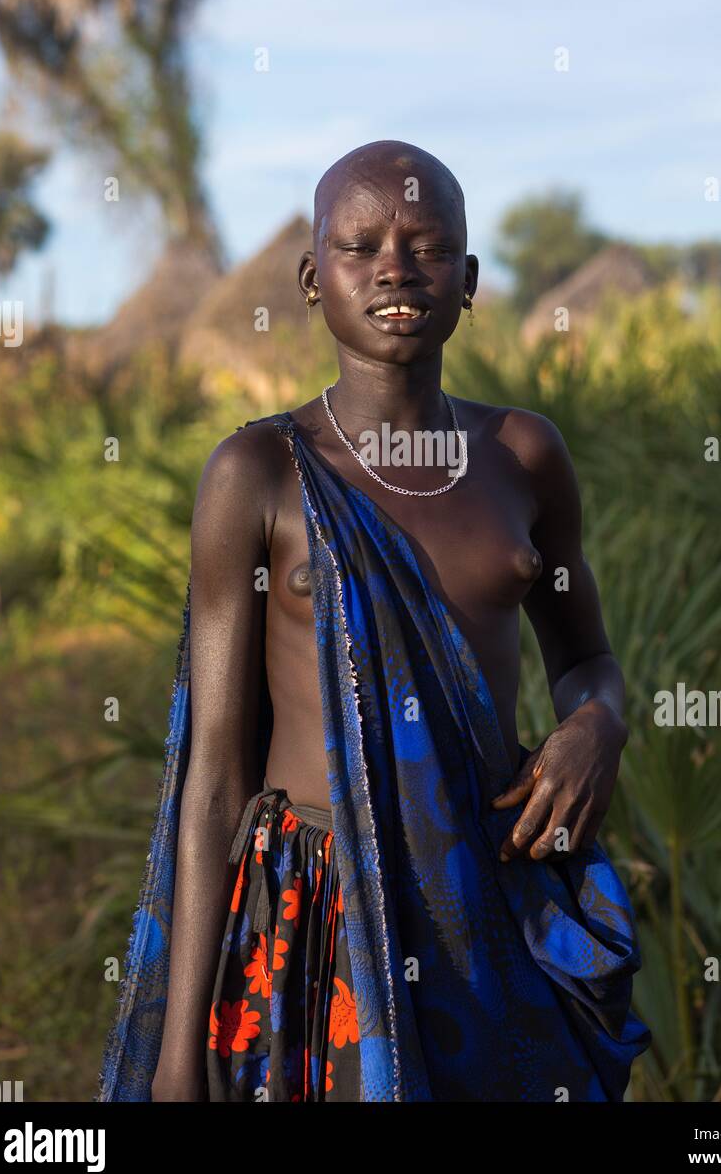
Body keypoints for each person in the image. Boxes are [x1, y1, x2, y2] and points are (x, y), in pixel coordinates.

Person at [97, 139, 649, 1103]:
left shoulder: (522, 455)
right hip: (319, 916)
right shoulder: (258, 474)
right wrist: (181, 1055)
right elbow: (215, 776)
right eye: (360, 246)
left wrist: (598, 721)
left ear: (468, 280)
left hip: (488, 894)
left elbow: (586, 658)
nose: (395, 267)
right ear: (314, 279)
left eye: (426, 245)